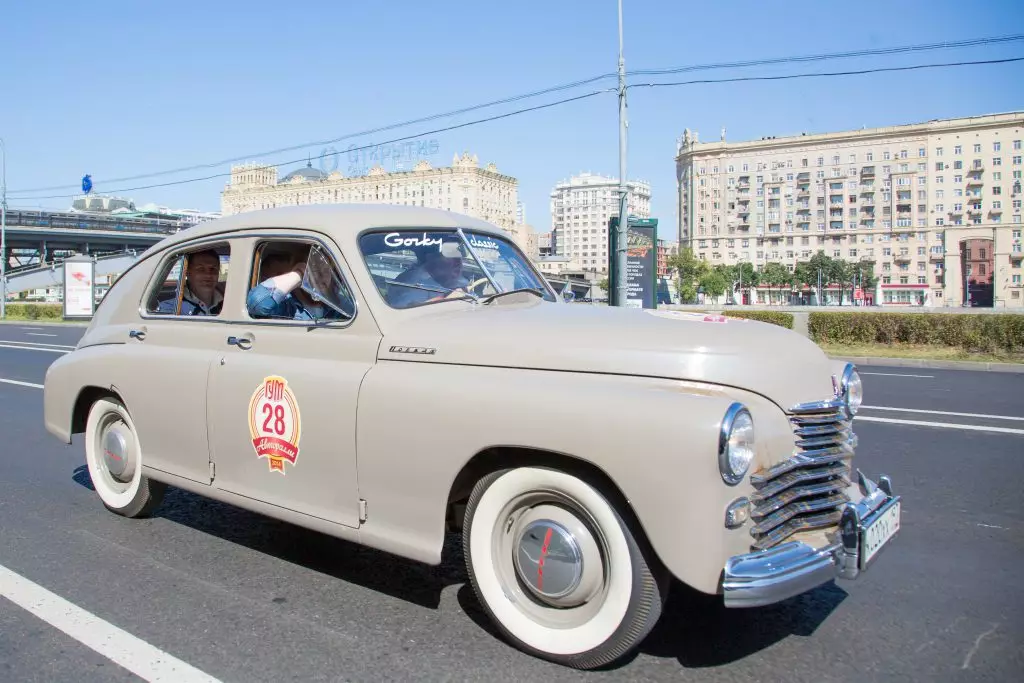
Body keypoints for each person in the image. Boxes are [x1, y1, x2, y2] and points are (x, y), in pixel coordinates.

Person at [246, 245, 350, 321]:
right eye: (315, 271)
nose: (323, 277)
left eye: (327, 270)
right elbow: (258, 303)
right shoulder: (288, 305)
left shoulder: (335, 303)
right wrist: (299, 273)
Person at [387, 238, 472, 308]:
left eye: (459, 253)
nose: (458, 261)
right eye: (449, 254)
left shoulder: (453, 279)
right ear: (430, 257)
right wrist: (446, 298)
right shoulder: (413, 285)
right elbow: (403, 313)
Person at [158, 249, 223, 315]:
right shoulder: (170, 309)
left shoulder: (228, 303)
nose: (208, 275)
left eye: (213, 269)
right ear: (187, 272)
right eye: (201, 269)